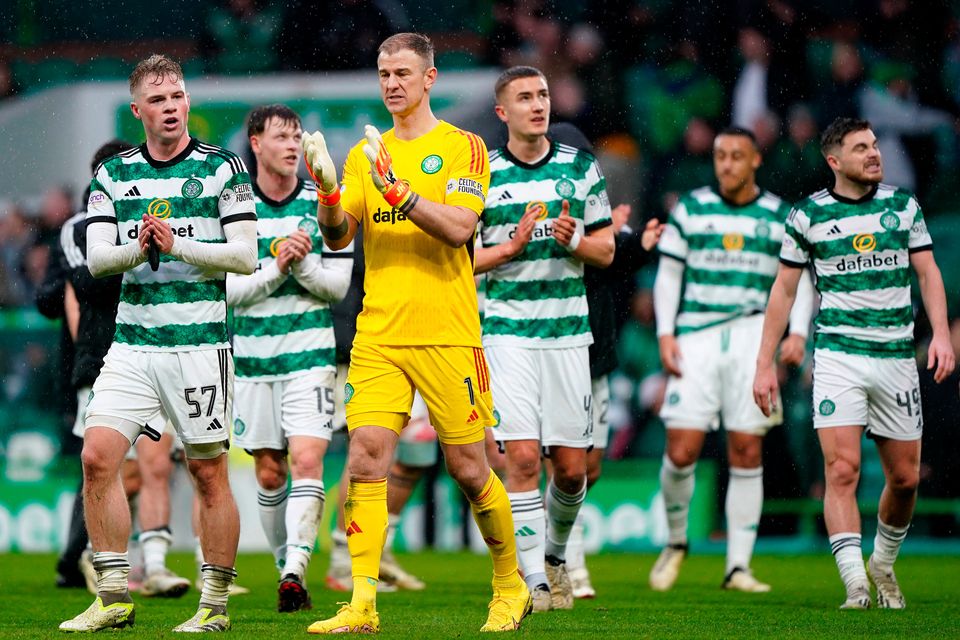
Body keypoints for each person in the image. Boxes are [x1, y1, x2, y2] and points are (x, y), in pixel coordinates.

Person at [300, 33, 530, 633]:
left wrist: (399, 192)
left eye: (403, 72)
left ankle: (511, 585)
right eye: (383, 73)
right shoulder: (361, 156)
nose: (392, 83)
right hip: (378, 333)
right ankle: (363, 603)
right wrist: (327, 190)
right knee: (368, 459)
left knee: (469, 469)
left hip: (448, 333)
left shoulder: (465, 148)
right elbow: (336, 238)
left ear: (430, 79)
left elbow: (458, 229)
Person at [59, 54, 257, 633]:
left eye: (178, 97)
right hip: (132, 343)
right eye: (160, 99)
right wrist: (141, 249)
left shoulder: (222, 170)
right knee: (97, 459)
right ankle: (114, 595)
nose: (171, 107)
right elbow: (99, 260)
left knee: (207, 473)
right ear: (138, 109)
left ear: (187, 103)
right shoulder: (114, 176)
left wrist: (177, 246)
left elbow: (244, 256)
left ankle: (215, 606)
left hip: (198, 344)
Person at [753, 117, 956, 610]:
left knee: (904, 479)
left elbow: (927, 273)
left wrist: (942, 335)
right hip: (839, 358)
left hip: (895, 356)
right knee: (841, 469)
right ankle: (856, 585)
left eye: (875, 145)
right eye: (861, 147)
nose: (873, 153)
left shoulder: (902, 205)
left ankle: (882, 564)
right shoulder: (808, 216)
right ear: (834, 160)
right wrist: (764, 363)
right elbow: (784, 290)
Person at [474, 65, 617, 613]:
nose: (539, 105)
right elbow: (465, 260)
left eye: (543, 95)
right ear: (502, 112)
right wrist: (507, 249)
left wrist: (574, 239)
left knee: (573, 468)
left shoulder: (580, 168)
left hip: (568, 335)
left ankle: (554, 556)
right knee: (524, 460)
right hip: (508, 334)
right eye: (525, 98)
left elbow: (605, 250)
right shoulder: (483, 174)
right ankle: (533, 579)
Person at [651, 126, 813, 594]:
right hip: (696, 335)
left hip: (750, 337)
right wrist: (665, 333)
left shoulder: (779, 215)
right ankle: (677, 541)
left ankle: (737, 566)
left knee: (746, 448)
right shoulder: (692, 208)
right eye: (721, 155)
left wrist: (796, 332)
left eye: (736, 156)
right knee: (681, 450)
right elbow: (668, 275)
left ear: (755, 161)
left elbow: (797, 282)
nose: (726, 164)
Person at [227, 103, 353, 612]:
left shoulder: (324, 203)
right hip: (254, 362)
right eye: (281, 136)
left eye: (298, 136)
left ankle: (296, 570)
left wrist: (299, 268)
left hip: (310, 357)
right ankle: (287, 567)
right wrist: (281, 268)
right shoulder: (233, 208)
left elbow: (338, 287)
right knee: (269, 473)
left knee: (306, 461)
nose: (293, 145)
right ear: (255, 143)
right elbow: (229, 292)